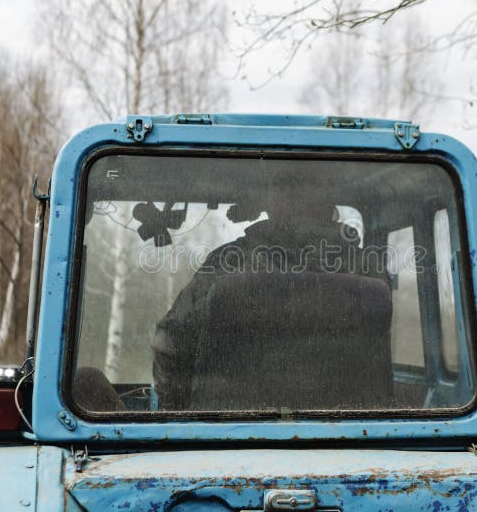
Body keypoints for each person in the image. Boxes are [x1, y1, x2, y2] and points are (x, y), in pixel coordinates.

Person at [151, 174, 390, 411]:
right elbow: (377, 365)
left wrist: (180, 417)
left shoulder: (228, 262)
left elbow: (170, 344)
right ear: (330, 196)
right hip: (349, 437)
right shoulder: (368, 268)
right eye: (285, 183)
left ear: (270, 201)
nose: (292, 192)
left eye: (301, 181)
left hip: (225, 438)